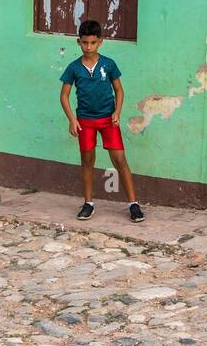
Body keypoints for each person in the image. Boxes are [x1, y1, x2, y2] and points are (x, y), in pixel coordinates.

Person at [58, 19, 144, 222]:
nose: (89, 47)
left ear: (100, 42)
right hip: (85, 121)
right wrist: (72, 119)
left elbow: (119, 90)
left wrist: (118, 112)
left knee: (120, 160)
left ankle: (134, 205)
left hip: (108, 120)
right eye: (85, 43)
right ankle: (88, 203)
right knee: (87, 161)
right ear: (78, 42)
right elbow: (64, 96)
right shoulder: (73, 68)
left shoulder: (109, 64)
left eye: (93, 43)